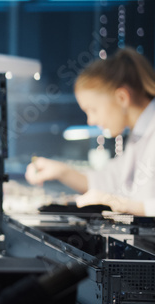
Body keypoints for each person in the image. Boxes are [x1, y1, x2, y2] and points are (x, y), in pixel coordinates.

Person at [25, 48, 155, 215]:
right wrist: (61, 171)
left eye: (93, 109)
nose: (90, 121)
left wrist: (117, 203)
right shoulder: (139, 134)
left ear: (122, 98)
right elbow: (108, 181)